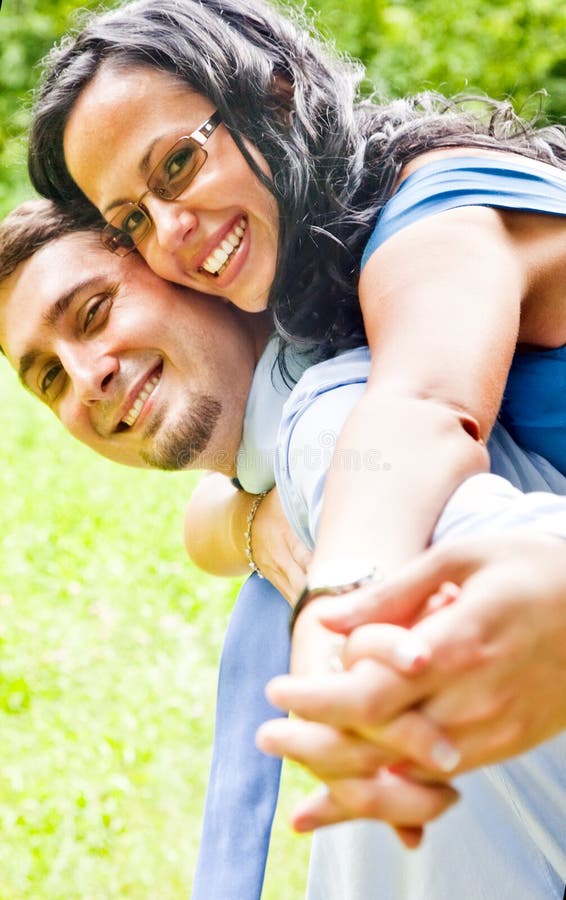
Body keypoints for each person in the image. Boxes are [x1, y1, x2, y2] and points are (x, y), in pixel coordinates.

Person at [1, 200, 566, 899]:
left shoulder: (335, 417)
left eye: (93, 313)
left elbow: (444, 522)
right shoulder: (269, 466)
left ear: (184, 271)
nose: (86, 379)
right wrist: (244, 519)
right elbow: (209, 524)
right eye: (49, 377)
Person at [26, 0, 566, 659]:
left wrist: (338, 601)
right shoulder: (312, 277)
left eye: (177, 165)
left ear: (275, 95)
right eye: (133, 220)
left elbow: (420, 412)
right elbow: (215, 503)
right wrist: (251, 520)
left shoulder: (432, 220)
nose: (169, 232)